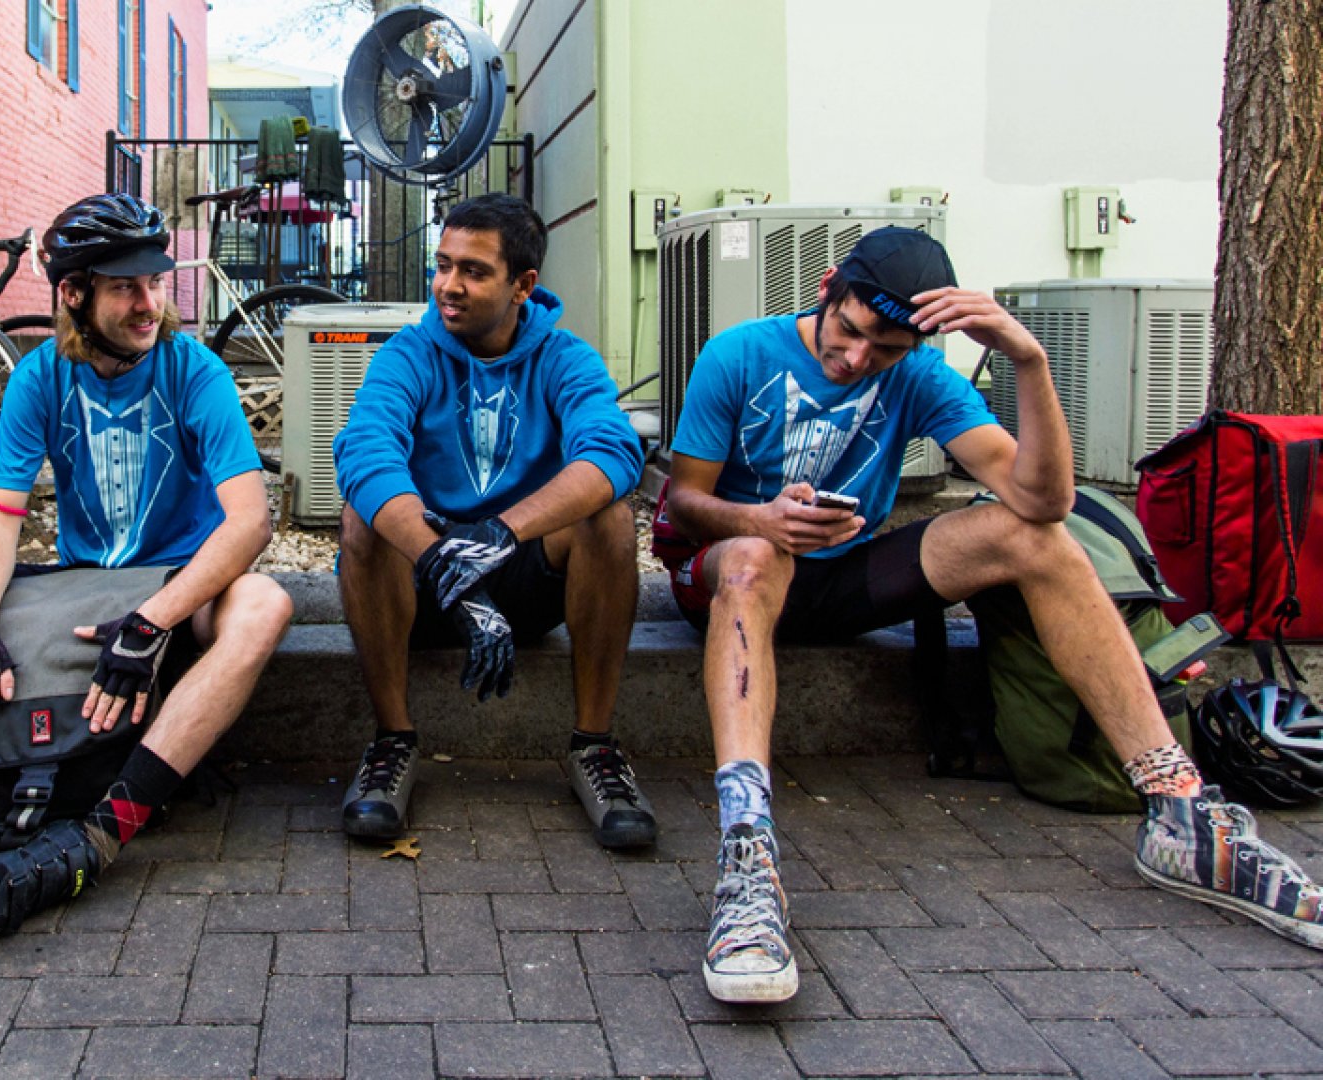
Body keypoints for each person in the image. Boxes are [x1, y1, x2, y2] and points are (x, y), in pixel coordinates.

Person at [660, 226, 1323, 1005]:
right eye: (850, 333)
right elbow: (685, 504)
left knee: (1029, 535)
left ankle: (1181, 815)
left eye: (886, 348)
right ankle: (746, 849)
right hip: (731, 574)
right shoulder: (739, 354)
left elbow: (1046, 500)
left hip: (844, 579)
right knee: (750, 559)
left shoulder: (923, 377)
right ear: (826, 286)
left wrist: (1026, 359)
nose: (857, 360)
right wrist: (762, 519)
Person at [0, 193, 292, 937]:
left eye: (155, 281)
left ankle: (99, 834)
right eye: (125, 286)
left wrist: (153, 624)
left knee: (267, 605)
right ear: (73, 293)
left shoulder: (195, 372)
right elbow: (1, 512)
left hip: (174, 586)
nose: (149, 302)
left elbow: (250, 521)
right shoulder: (40, 376)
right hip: (82, 581)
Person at [332, 193, 653, 851]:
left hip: (521, 579)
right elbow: (364, 451)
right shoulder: (408, 354)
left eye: (473, 271)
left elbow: (615, 450)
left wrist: (499, 534)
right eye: (442, 264)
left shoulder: (566, 358)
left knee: (610, 518)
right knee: (362, 519)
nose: (449, 285)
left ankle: (593, 747)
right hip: (422, 589)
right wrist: (442, 561)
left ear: (522, 285)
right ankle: (393, 743)